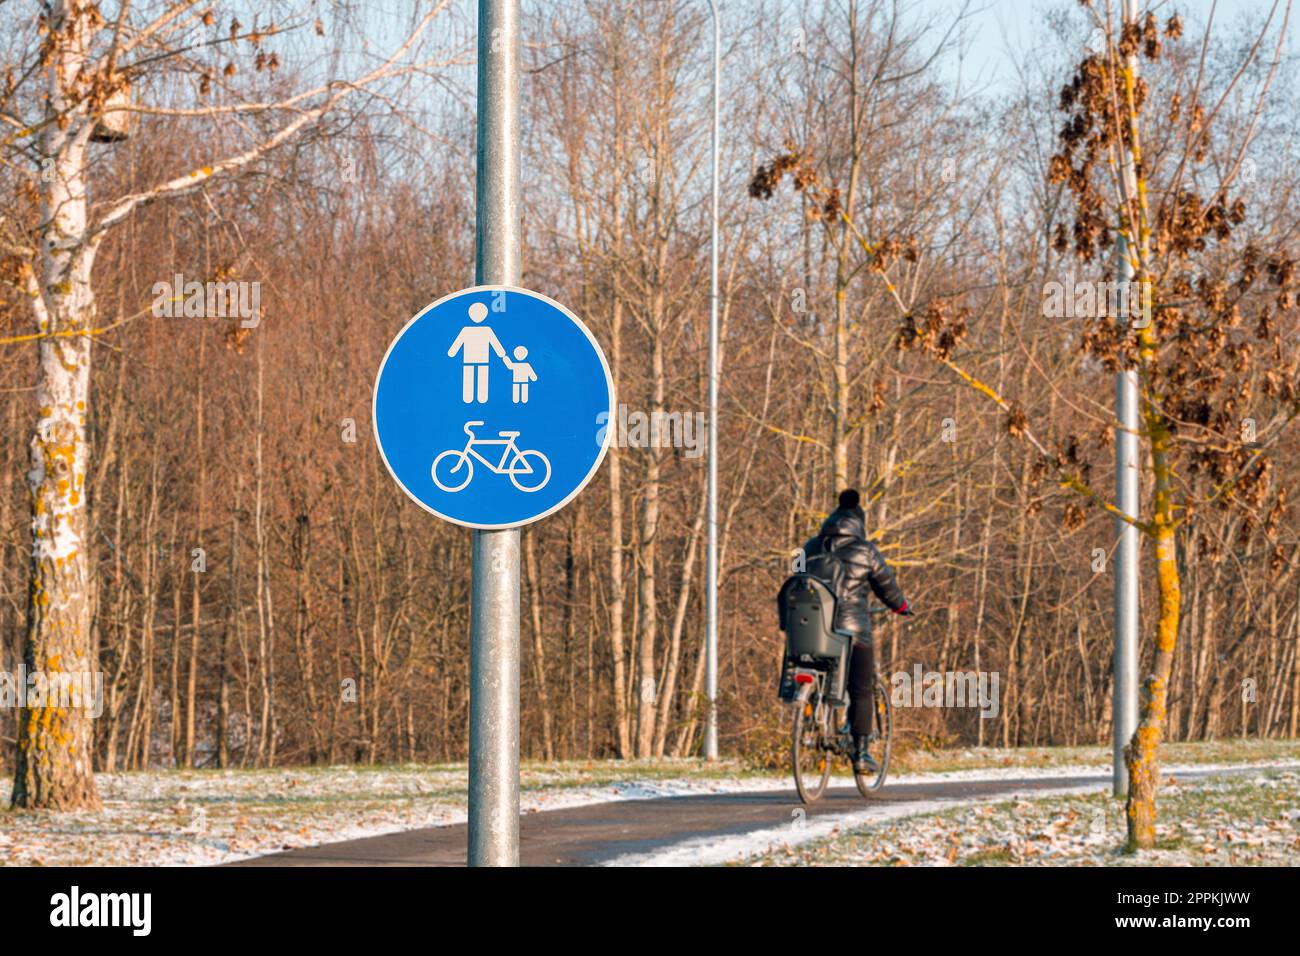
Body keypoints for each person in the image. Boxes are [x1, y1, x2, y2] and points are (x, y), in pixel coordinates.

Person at [799, 488, 912, 773]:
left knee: (821, 668)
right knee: (861, 689)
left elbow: (796, 580)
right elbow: (887, 586)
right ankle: (861, 753)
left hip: (811, 630)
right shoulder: (865, 551)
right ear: (859, 525)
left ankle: (812, 715)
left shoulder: (809, 547)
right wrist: (902, 607)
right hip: (852, 632)